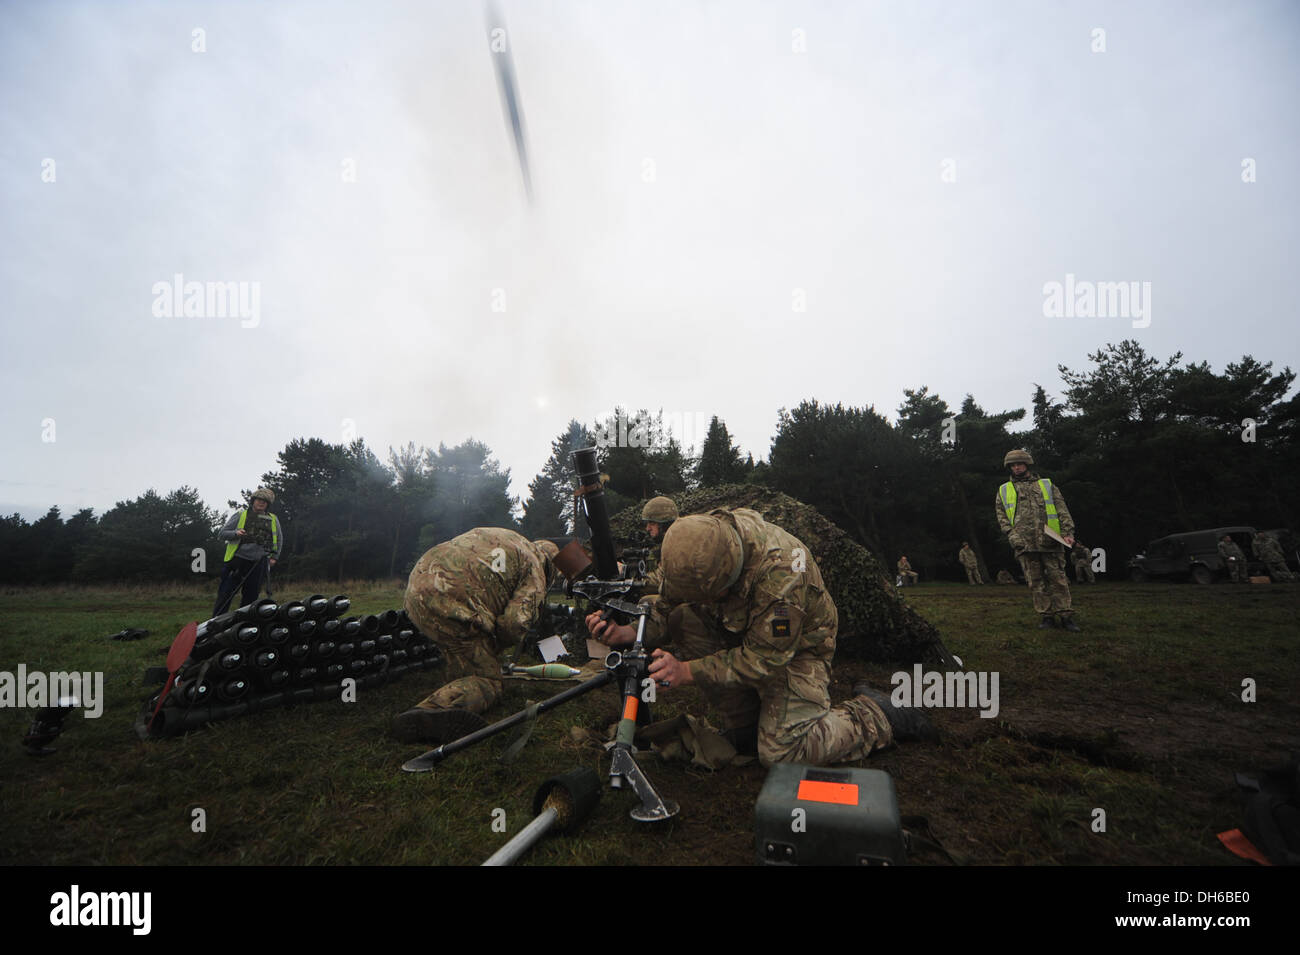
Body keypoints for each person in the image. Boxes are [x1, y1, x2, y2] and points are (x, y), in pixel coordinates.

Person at [585, 508, 936, 768]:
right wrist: (630, 632)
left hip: (796, 651)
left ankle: (876, 715)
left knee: (783, 753)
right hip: (743, 632)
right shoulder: (700, 541)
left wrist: (688, 671)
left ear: (727, 578)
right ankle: (747, 724)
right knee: (682, 618)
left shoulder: (783, 576)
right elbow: (669, 604)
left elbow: (765, 659)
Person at [392, 529, 559, 743]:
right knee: (488, 680)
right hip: (453, 603)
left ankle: (456, 684)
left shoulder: (512, 540)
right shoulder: (536, 566)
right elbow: (514, 623)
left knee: (461, 650)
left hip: (416, 591)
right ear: (551, 568)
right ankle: (430, 711)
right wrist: (496, 648)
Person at [995, 449, 1080, 631]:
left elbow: (1061, 509)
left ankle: (1066, 615)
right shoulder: (1004, 490)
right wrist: (1012, 534)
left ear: (1027, 464)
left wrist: (1068, 532)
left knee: (1058, 579)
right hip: (1024, 543)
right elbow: (1001, 516)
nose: (1016, 467)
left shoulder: (1046, 485)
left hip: (1050, 540)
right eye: (1013, 465)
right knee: (1035, 582)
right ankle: (1046, 616)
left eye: (1019, 464)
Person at [213, 488, 282, 616]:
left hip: (259, 563)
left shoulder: (273, 519)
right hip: (237, 561)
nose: (261, 503)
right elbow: (222, 534)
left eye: (265, 501)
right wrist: (236, 533)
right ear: (253, 501)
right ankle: (215, 623)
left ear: (268, 504)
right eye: (259, 500)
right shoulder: (240, 515)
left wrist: (274, 557)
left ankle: (243, 626)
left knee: (251, 598)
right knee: (225, 594)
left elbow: (279, 539)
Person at [638, 496, 679, 595]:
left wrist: (630, 580)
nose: (647, 528)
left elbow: (662, 580)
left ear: (665, 524)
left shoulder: (677, 545)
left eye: (652, 523)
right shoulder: (667, 543)